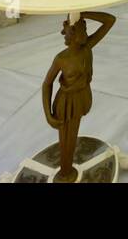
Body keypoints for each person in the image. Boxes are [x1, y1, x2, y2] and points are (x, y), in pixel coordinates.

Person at [42, 12, 117, 183]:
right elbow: (47, 84)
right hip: (65, 102)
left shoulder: (87, 48)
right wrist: (48, 114)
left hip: (81, 97)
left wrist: (84, 12)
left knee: (72, 135)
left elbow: (110, 20)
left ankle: (67, 171)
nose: (64, 35)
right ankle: (65, 173)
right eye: (66, 31)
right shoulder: (61, 58)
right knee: (65, 138)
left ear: (76, 35)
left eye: (68, 31)